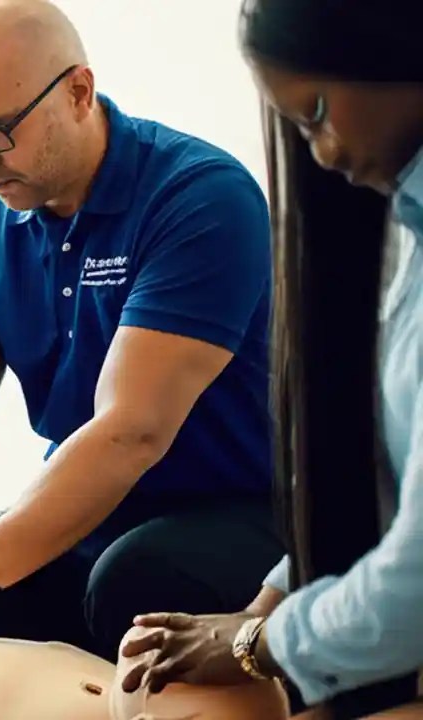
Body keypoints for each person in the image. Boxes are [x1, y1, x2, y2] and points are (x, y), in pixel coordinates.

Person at [0, 0, 284, 661]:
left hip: (240, 508)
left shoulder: (201, 197)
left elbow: (131, 430)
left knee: (132, 589)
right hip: (91, 514)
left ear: (78, 91)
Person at [118, 1, 423, 717]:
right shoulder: (408, 245)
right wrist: (272, 600)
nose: (320, 152)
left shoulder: (198, 200)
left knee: (128, 576)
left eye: (316, 109)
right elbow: (392, 496)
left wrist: (258, 641)